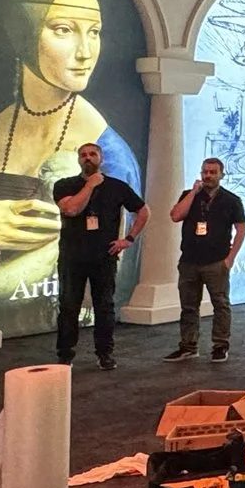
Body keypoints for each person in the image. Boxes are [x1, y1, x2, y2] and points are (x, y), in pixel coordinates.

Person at [0, 0, 143, 321]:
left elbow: (111, 272)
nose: (85, 51)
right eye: (63, 30)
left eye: (94, 32)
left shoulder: (112, 156)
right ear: (23, 32)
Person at [53, 140, 146, 369]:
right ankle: (65, 355)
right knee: (68, 306)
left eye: (92, 154)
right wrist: (91, 185)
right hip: (72, 257)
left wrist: (129, 239)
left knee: (104, 307)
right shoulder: (65, 185)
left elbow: (143, 211)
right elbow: (71, 209)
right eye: (83, 154)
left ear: (101, 158)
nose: (88, 158)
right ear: (78, 160)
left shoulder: (117, 187)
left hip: (104, 256)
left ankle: (105, 354)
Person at [166, 156, 245, 363]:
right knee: (188, 306)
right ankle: (188, 346)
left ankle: (220, 345)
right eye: (205, 172)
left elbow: (241, 230)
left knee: (220, 304)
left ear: (222, 175)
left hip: (216, 261)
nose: (208, 176)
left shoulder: (231, 200)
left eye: (213, 172)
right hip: (189, 261)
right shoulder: (189, 195)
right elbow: (175, 216)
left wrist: (230, 258)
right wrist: (193, 192)